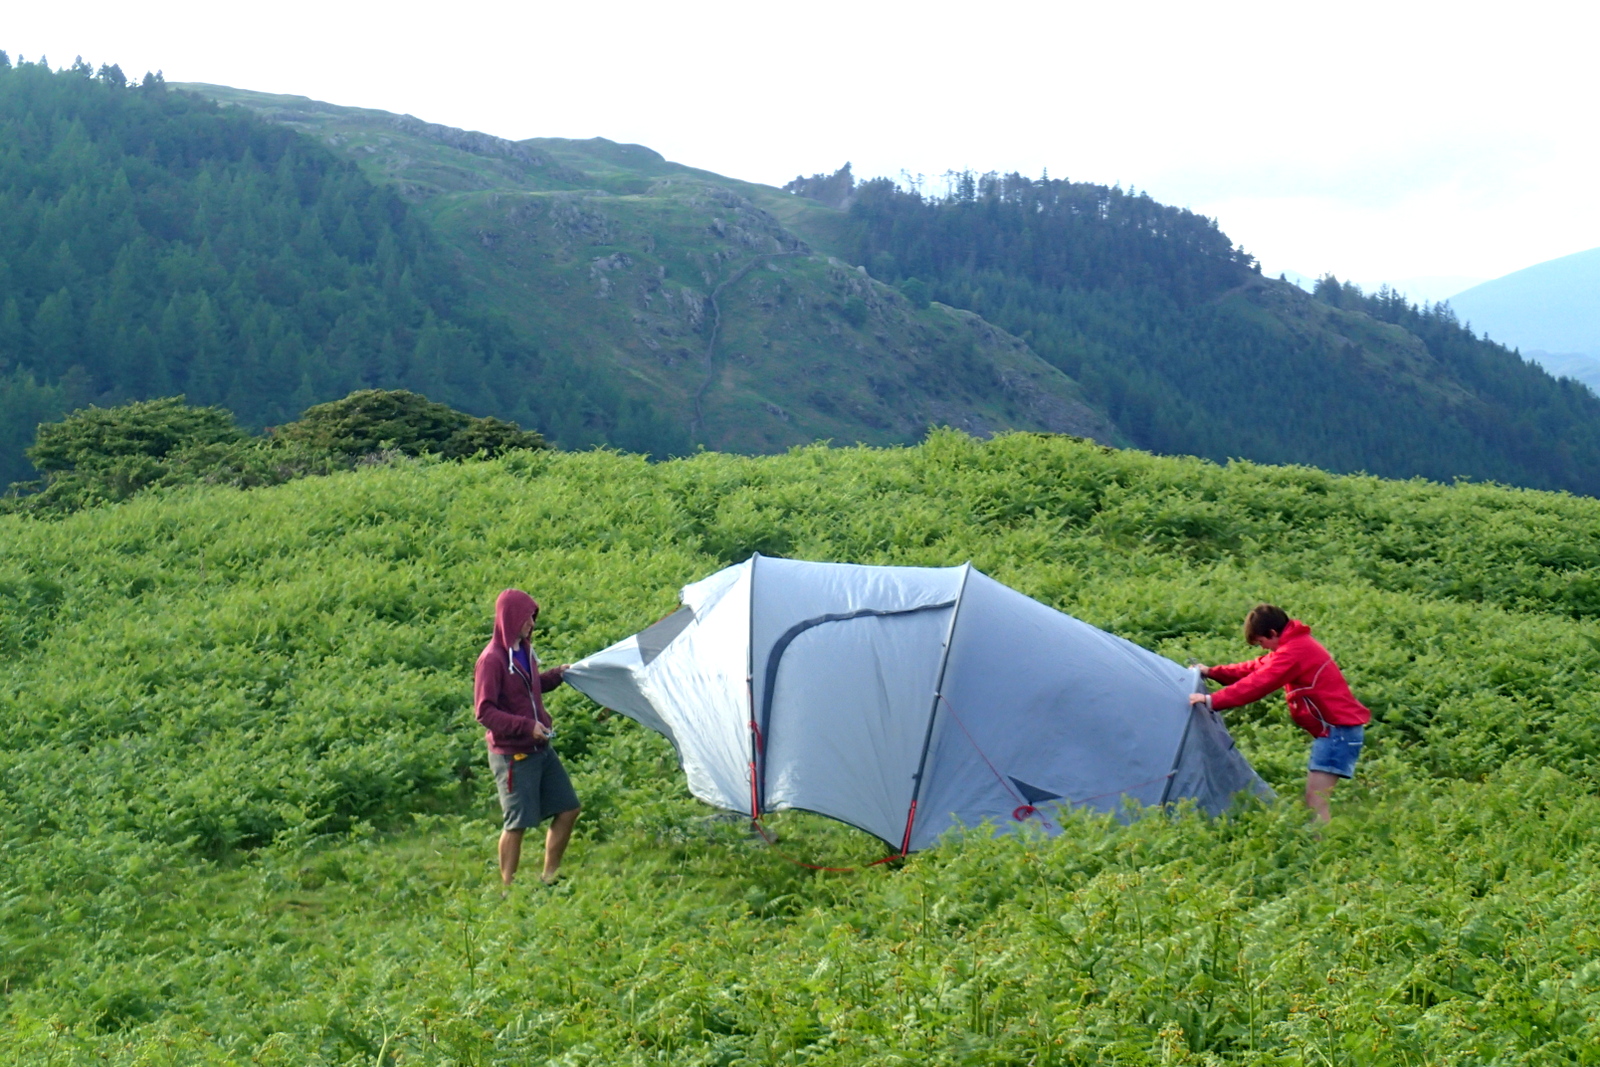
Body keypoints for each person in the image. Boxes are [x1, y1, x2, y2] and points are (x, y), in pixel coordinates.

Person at [1190, 604, 1370, 823]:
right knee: (1315, 799)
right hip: (1336, 731)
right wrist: (1211, 672)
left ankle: (1324, 851)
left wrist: (1211, 700)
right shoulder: (1294, 645)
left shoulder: (1295, 651)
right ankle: (1322, 848)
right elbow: (1255, 668)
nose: (1263, 648)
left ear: (1273, 633)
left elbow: (1259, 682)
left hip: (1338, 732)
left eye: (1261, 642)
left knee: (1316, 801)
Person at [474, 588, 580, 886]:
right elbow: (484, 712)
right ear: (510, 619)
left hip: (540, 746)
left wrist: (559, 674)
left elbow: (531, 689)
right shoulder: (492, 660)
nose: (532, 624)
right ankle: (508, 890)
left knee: (569, 808)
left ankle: (550, 877)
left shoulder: (524, 650)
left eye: (533, 617)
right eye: (526, 618)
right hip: (513, 754)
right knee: (517, 823)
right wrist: (525, 726)